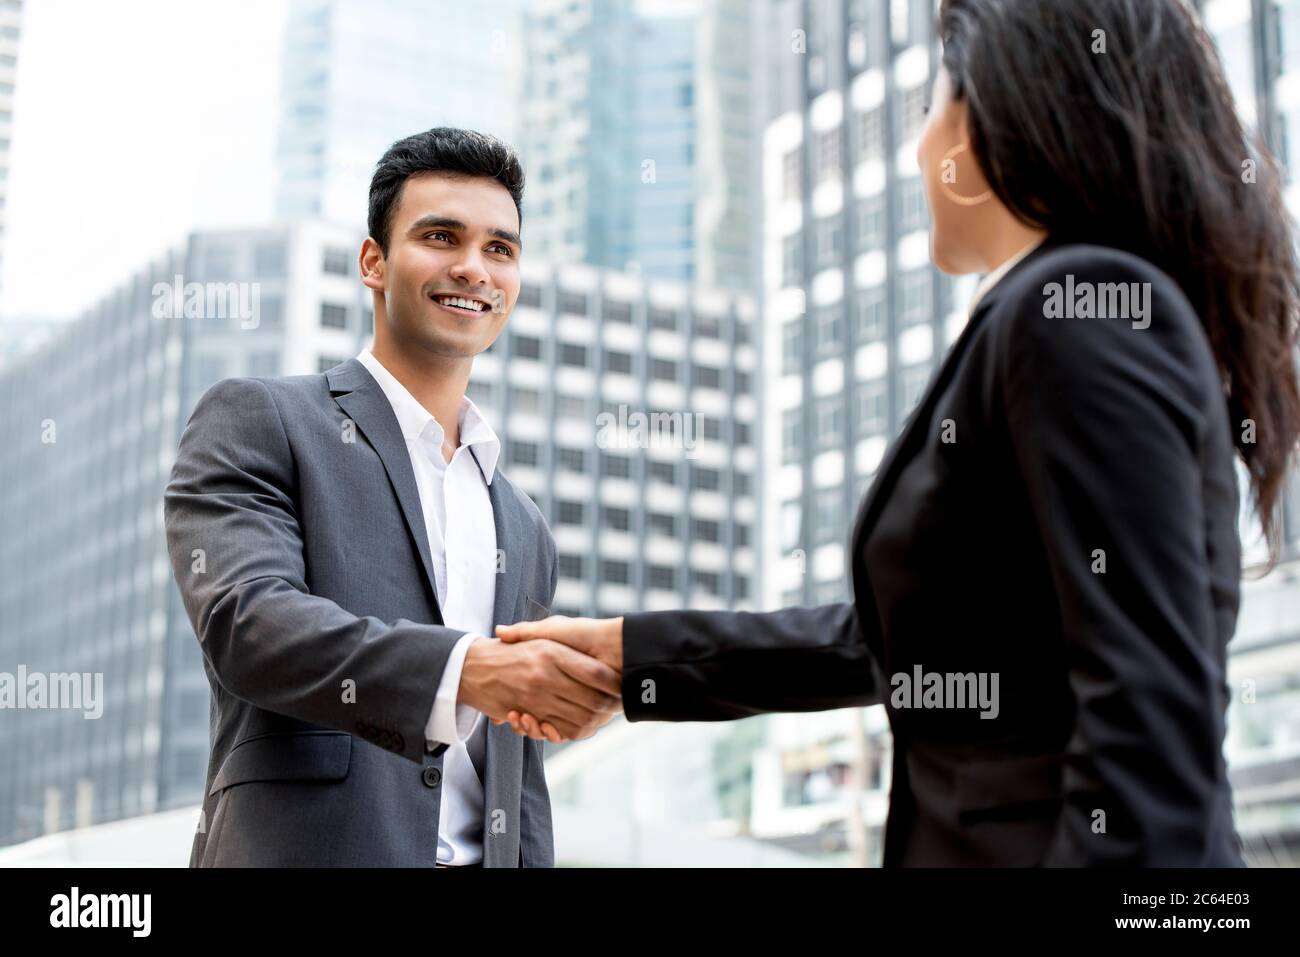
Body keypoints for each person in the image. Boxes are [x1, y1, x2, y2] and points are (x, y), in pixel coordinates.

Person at [497, 0, 1300, 866]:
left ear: (990, 114)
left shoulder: (1075, 310)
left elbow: (1150, 739)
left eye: (929, 107)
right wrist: (634, 656)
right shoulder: (1059, 311)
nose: (918, 147)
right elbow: (914, 637)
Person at [165, 128, 621, 867]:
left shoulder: (525, 525)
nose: (473, 268)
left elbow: (518, 778)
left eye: (500, 249)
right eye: (442, 237)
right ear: (373, 262)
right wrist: (466, 669)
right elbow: (248, 626)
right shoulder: (262, 420)